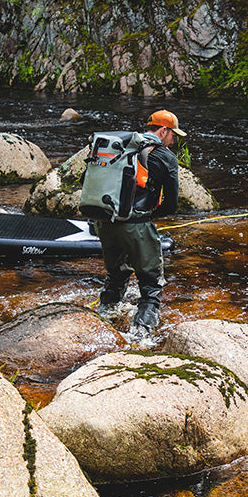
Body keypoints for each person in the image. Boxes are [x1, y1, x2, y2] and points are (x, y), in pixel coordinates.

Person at [95, 109, 184, 338]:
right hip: (136, 224)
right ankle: (140, 339)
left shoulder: (120, 146)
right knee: (151, 286)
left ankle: (101, 322)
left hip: (105, 221)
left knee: (116, 276)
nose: (173, 141)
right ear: (163, 131)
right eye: (173, 135)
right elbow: (171, 205)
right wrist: (148, 216)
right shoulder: (165, 157)